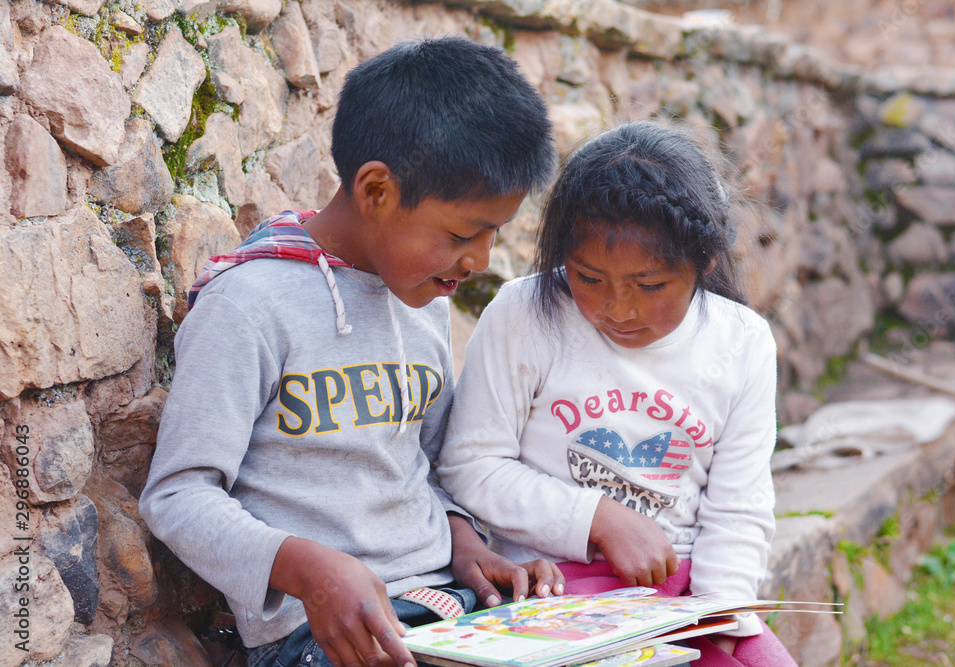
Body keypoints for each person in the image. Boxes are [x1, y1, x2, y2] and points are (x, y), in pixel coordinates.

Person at [139, 36, 563, 667]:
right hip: (319, 635)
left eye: (492, 234)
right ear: (376, 191)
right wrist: (308, 570)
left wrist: (468, 545)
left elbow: (427, 468)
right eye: (461, 234)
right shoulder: (250, 305)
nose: (479, 259)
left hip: (445, 609)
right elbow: (177, 497)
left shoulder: (424, 299)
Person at [437, 121, 797, 666]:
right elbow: (471, 466)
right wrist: (599, 519)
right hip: (553, 590)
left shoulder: (742, 341)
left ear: (705, 261)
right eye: (588, 278)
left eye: (650, 286)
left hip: (687, 597)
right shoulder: (523, 315)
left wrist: (720, 618)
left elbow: (739, 508)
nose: (618, 308)